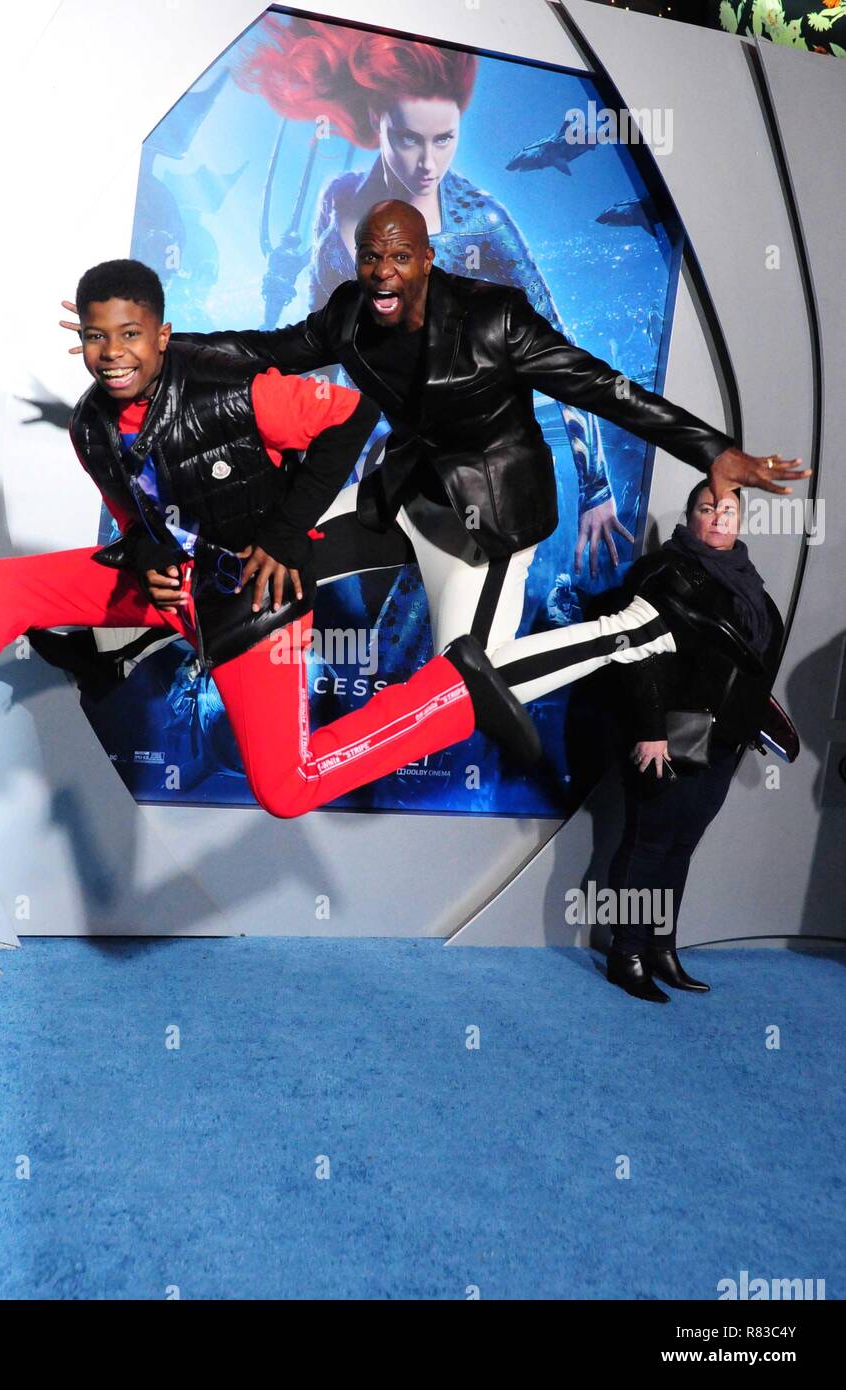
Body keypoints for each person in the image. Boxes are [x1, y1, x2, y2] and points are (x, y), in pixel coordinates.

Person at [0, 259, 549, 831]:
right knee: (4, 586)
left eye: (130, 335)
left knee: (286, 790)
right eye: (97, 336)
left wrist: (284, 538)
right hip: (178, 588)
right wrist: (153, 561)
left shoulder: (233, 388)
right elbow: (139, 521)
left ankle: (456, 696)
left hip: (251, 594)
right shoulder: (91, 427)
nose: (112, 353)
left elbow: (351, 418)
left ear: (163, 335)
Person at [77, 200, 804, 706]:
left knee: (466, 678)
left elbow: (601, 388)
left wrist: (713, 448)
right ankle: (118, 653)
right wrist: (154, 347)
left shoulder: (497, 320)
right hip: (408, 498)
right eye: (370, 257)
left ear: (427, 258)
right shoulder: (351, 314)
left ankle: (637, 632)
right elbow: (267, 351)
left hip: (489, 522)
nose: (382, 272)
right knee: (268, 553)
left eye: (398, 256)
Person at [235, 14, 620, 574]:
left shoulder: (483, 223)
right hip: (354, 461)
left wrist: (596, 488)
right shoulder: (339, 197)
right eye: (409, 138)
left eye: (444, 139)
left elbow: (562, 358)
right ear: (377, 121)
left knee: (413, 635)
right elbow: (315, 345)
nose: (428, 163)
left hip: (453, 483)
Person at [602, 481, 792, 1003]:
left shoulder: (752, 587)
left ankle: (662, 947)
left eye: (727, 510)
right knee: (648, 844)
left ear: (740, 520)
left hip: (722, 743)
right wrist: (650, 730)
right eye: (707, 508)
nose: (718, 517)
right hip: (665, 736)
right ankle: (628, 952)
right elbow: (636, 654)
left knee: (681, 847)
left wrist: (748, 723)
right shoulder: (662, 573)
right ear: (691, 516)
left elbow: (750, 669)